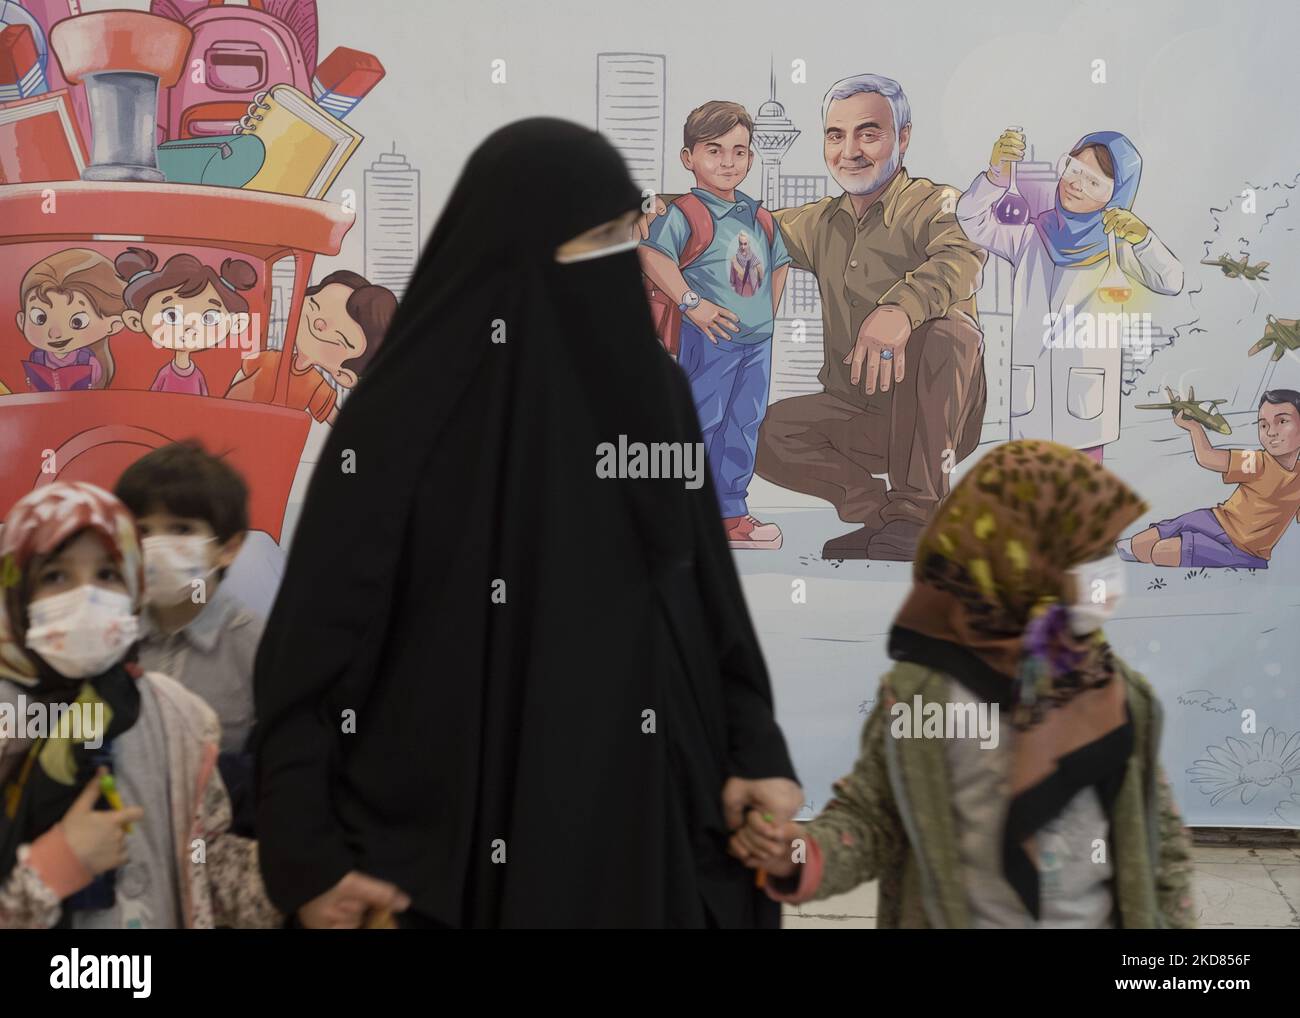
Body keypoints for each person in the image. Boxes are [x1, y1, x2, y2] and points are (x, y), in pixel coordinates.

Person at [253, 118, 802, 929]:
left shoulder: (649, 398)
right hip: (448, 845)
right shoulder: (403, 419)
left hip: (646, 828)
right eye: (590, 242)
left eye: (625, 238)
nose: (614, 265)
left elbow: (706, 597)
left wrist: (755, 748)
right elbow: (313, 654)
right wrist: (307, 853)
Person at [728, 440, 1195, 928]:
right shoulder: (922, 695)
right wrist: (799, 854)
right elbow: (873, 820)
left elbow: (1160, 845)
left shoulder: (1123, 695)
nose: (1102, 571)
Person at [0, 482, 278, 928]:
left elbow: (203, 861)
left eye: (108, 574)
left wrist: (304, 882)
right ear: (16, 589)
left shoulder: (179, 714)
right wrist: (55, 868)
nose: (87, 596)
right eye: (55, 575)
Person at [957, 129, 1183, 460]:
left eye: (1095, 182)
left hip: (1083, 409)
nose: (1076, 184)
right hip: (1030, 405)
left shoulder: (1116, 245)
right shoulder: (1031, 237)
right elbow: (971, 220)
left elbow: (1171, 280)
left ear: (1117, 196)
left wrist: (1144, 238)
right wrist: (995, 176)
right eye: (1073, 169)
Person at [639, 100, 791, 550]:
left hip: (756, 344)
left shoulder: (758, 214)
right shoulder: (684, 213)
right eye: (714, 150)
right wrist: (692, 304)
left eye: (740, 151)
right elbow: (651, 255)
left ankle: (731, 516)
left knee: (745, 423)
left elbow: (780, 262)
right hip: (708, 339)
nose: (728, 161)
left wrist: (766, 314)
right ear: (689, 159)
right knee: (702, 423)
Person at [114, 441, 263, 833]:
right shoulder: (105, 641)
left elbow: (281, 775)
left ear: (228, 548)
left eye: (180, 529)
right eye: (141, 530)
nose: (154, 545)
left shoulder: (260, 649)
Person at [1119, 390, 1300, 569]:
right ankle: (1126, 551)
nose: (1271, 432)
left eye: (1282, 421)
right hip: (1216, 519)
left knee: (1161, 551)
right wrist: (1194, 427)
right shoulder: (1257, 462)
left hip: (1243, 551)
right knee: (1140, 544)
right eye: (1263, 425)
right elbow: (1207, 457)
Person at [225, 270, 397, 426]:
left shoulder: (315, 386)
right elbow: (236, 381)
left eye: (339, 338)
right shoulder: (267, 358)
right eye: (314, 305)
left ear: (343, 375)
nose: (318, 323)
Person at [115, 247, 257, 397]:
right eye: (172, 316)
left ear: (237, 324)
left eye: (209, 318)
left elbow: (205, 401)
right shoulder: (165, 373)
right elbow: (153, 399)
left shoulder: (197, 375)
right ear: (135, 321)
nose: (190, 328)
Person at [17, 248, 125, 392]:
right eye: (40, 318)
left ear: (113, 324)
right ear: (22, 320)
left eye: (77, 322)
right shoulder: (37, 356)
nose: (55, 333)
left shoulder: (89, 361)